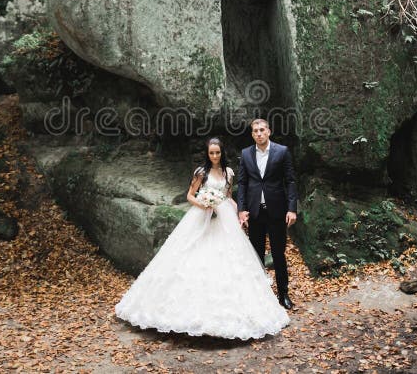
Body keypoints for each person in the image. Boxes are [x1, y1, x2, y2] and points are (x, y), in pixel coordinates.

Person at [115, 137, 289, 340]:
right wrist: (204, 204)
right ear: (207, 154)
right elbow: (190, 195)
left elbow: (228, 196)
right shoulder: (201, 172)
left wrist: (239, 212)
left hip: (224, 218)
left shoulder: (228, 172)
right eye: (211, 153)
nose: (214, 156)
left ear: (222, 153)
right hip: (202, 216)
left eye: (217, 152)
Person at [237, 119, 298, 310]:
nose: (259, 133)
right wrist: (241, 209)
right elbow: (242, 183)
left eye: (262, 130)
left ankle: (283, 294)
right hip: (255, 212)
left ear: (269, 131)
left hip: (277, 211)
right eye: (255, 131)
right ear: (252, 134)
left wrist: (292, 208)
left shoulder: (282, 151)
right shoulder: (246, 154)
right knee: (256, 256)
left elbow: (290, 181)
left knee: (278, 254)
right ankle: (260, 296)